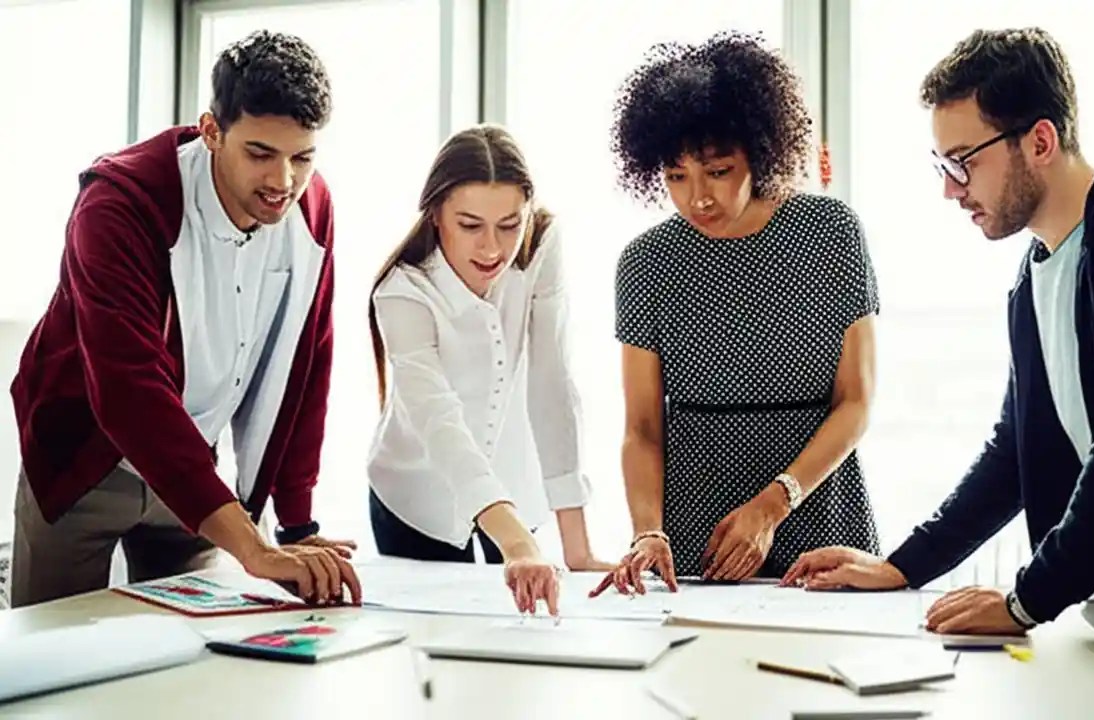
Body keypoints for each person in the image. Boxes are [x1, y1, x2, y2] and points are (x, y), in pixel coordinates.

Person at [782, 28, 1094, 718]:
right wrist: (905, 565)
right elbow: (1017, 455)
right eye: (942, 165)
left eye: (964, 162)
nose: (952, 190)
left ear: (1040, 142)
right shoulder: (1038, 272)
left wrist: (1025, 600)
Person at [8, 30, 360, 608]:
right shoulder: (118, 204)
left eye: (303, 157)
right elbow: (128, 389)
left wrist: (295, 523)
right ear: (211, 130)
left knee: (198, 649)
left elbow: (307, 359)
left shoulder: (311, 210)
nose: (284, 182)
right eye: (260, 154)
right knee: (44, 660)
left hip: (195, 469)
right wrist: (252, 545)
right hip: (82, 462)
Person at [590, 31, 881, 598]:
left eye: (717, 171)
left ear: (761, 152)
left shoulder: (832, 234)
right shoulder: (646, 263)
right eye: (676, 177)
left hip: (817, 509)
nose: (697, 197)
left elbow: (857, 402)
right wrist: (647, 530)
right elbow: (643, 430)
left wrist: (775, 504)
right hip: (700, 535)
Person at [367, 125, 610, 616]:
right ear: (436, 215)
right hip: (417, 496)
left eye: (508, 224)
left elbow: (552, 384)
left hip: (518, 489)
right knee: (435, 646)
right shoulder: (401, 291)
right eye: (470, 225)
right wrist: (519, 546)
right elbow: (439, 421)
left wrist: (576, 546)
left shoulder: (541, 244)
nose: (492, 248)